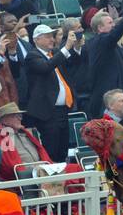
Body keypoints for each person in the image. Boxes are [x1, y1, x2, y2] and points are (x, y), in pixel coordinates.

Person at [23, 24, 81, 160]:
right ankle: (53, 180)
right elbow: (46, 67)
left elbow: (73, 63)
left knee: (63, 150)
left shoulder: (54, 53)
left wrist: (76, 47)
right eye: (47, 36)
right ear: (36, 39)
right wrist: (66, 48)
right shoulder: (32, 56)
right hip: (48, 112)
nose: (51, 40)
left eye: (52, 36)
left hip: (63, 110)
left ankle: (64, 179)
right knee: (51, 150)